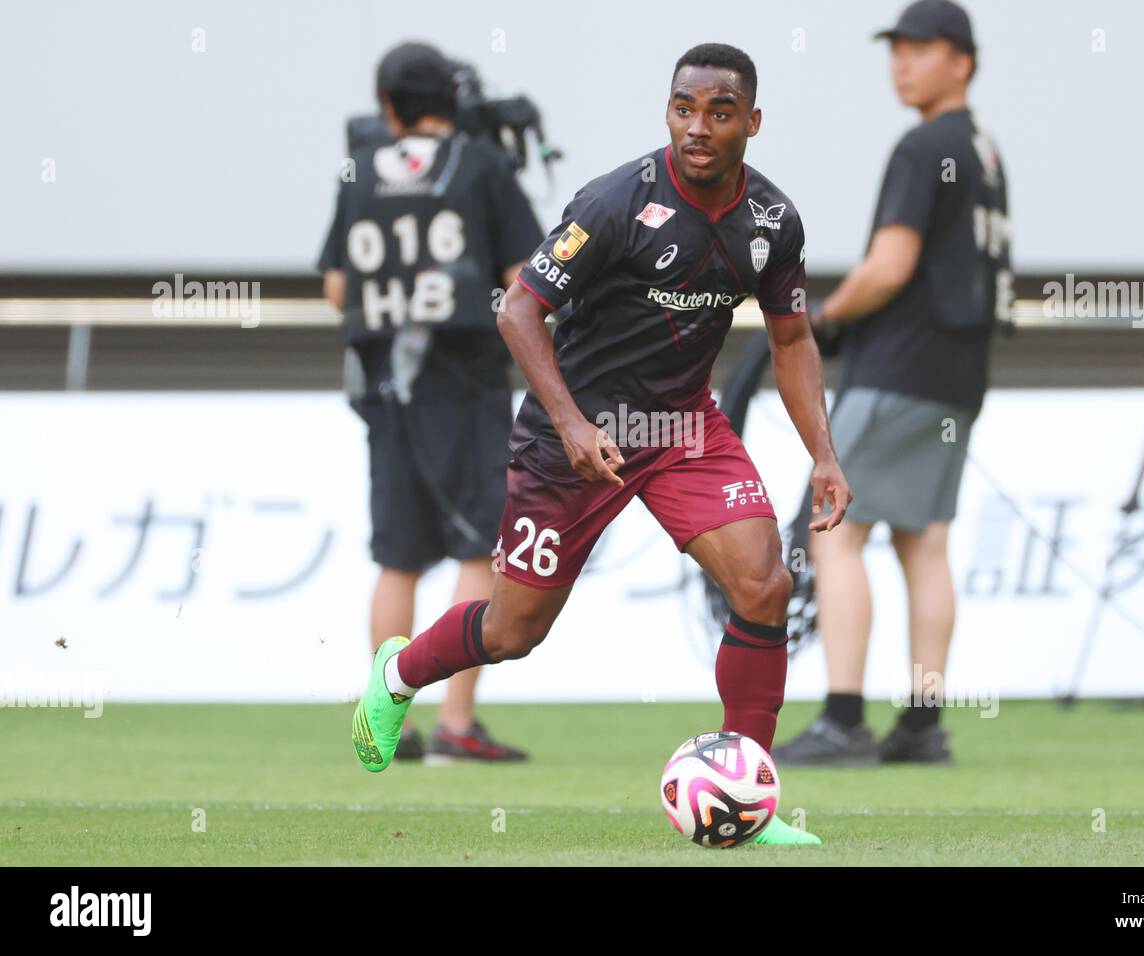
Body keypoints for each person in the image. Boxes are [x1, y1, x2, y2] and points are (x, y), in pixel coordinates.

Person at [350, 42, 852, 846]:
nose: (698, 126)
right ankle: (400, 672)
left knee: (763, 585)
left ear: (751, 122)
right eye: (684, 108)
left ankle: (749, 802)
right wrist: (574, 423)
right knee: (515, 632)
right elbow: (519, 310)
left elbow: (792, 341)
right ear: (668, 112)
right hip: (573, 436)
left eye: (720, 112)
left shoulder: (772, 222)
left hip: (684, 426)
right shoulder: (617, 201)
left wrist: (823, 455)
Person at [775, 0, 1011, 766]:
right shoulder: (984, 149)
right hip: (958, 373)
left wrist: (826, 318)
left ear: (962, 60)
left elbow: (889, 265)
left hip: (901, 366)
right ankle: (922, 723)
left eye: (920, 50)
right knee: (925, 542)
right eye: (897, 50)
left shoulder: (924, 145)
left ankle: (843, 719)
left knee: (837, 534)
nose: (901, 63)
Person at [319, 42, 538, 762]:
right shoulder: (480, 164)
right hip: (466, 378)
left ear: (387, 106)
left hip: (385, 384)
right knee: (480, 546)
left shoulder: (358, 167)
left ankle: (393, 721)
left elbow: (337, 289)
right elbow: (525, 279)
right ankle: (457, 722)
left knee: (399, 556)